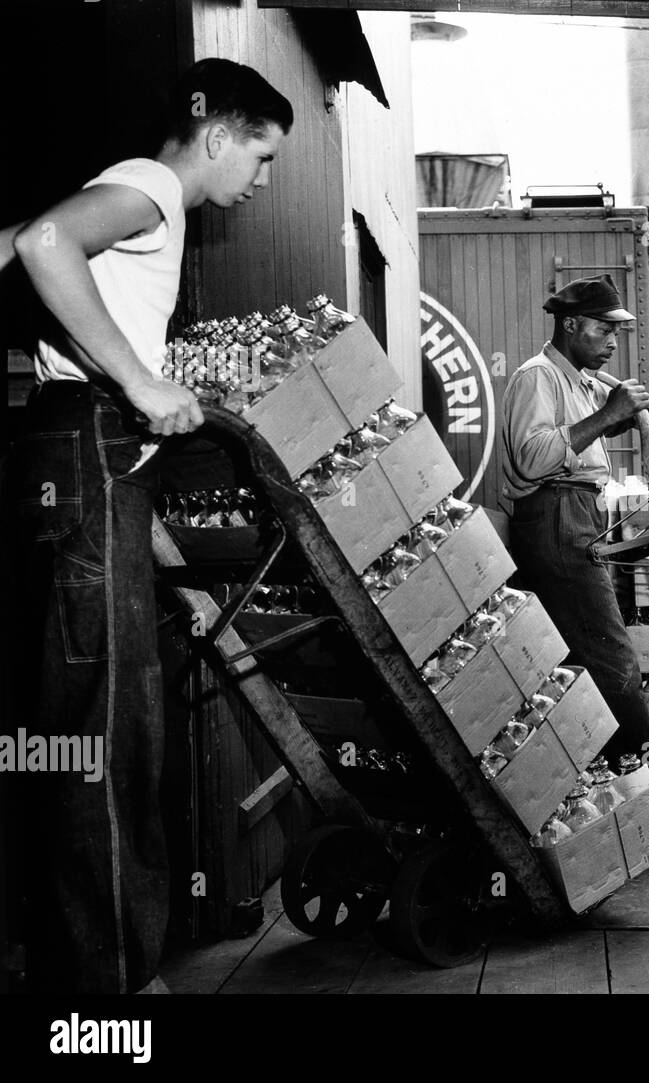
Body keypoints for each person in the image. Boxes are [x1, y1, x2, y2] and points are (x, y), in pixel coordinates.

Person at [1, 58, 292, 994]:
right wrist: (136, 379)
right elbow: (45, 242)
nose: (258, 181)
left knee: (67, 724)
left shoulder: (125, 188)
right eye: (261, 155)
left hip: (71, 451)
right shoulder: (155, 184)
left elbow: (12, 242)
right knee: (112, 735)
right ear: (218, 135)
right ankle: (115, 992)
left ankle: (67, 965)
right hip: (90, 440)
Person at [501, 275, 649, 771]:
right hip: (554, 514)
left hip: (576, 514)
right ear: (570, 324)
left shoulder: (583, 379)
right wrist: (609, 416)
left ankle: (599, 778)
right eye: (603, 329)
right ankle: (642, 781)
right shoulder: (538, 377)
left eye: (618, 331)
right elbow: (531, 458)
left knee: (581, 657)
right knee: (612, 657)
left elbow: (638, 405)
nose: (613, 342)